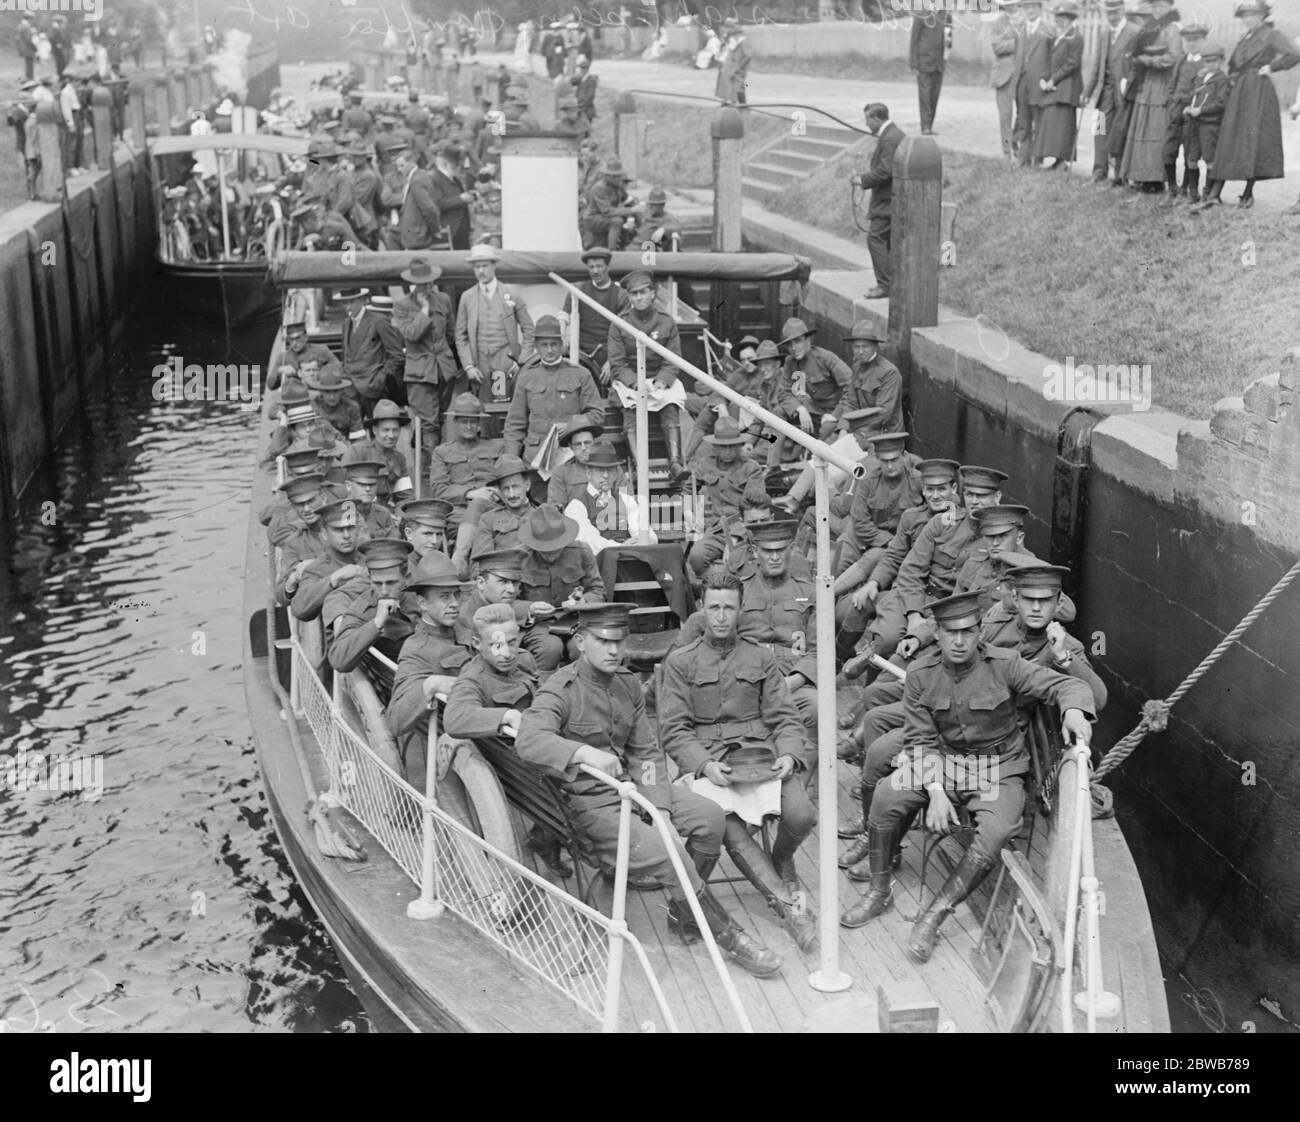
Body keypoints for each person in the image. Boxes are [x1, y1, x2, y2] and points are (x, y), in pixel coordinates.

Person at [517, 601, 782, 977]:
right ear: (579, 641)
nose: (613, 650)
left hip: (634, 790)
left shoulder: (626, 685)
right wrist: (583, 752)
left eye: (619, 641)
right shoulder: (560, 690)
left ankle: (682, 912)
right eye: (602, 641)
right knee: (667, 851)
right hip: (589, 805)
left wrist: (661, 810)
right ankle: (730, 937)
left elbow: (646, 754)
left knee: (709, 818)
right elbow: (528, 740)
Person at [839, 590, 1096, 963]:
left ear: (979, 632)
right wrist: (937, 793)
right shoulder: (921, 676)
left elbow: (1068, 685)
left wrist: (1073, 711)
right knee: (885, 796)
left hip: (998, 768)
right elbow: (920, 741)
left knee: (995, 833)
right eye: (950, 633)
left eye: (967, 631)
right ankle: (880, 891)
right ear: (938, 634)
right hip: (945, 763)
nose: (959, 641)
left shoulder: (1006, 663)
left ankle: (934, 915)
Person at [659, 566, 817, 955]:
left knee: (801, 815)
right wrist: (705, 765)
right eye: (714, 607)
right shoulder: (681, 663)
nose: (721, 617)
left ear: (740, 610)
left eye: (729, 608)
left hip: (759, 758)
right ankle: (786, 905)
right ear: (702, 607)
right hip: (710, 763)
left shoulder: (760, 659)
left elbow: (785, 717)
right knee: (727, 825)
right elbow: (674, 731)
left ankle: (779, 860)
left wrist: (790, 755)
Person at [1197, 1, 1300, 211]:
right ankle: (1214, 194)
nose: (1248, 18)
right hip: (1240, 90)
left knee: (1252, 138)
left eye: (1253, 14)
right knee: (1231, 136)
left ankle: (1247, 192)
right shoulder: (1245, 37)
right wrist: (1233, 78)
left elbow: (1295, 55)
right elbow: (1235, 65)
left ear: (1263, 15)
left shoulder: (1271, 35)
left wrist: (1272, 67)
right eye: (1244, 15)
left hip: (1257, 90)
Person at [385, 551, 476, 776]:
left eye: (457, 595)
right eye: (444, 596)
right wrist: (430, 685)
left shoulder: (467, 628)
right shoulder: (417, 649)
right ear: (423, 603)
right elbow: (395, 721)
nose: (454, 603)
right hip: (454, 752)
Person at [606, 270, 688, 479]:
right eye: (634, 294)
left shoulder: (666, 322)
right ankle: (639, 465)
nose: (639, 297)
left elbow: (672, 359)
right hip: (631, 380)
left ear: (653, 293)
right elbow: (618, 363)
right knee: (631, 410)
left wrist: (662, 381)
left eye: (643, 292)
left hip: (659, 378)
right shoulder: (620, 323)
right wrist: (635, 384)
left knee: (670, 405)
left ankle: (676, 463)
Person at [501, 315, 604, 464]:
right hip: (534, 460)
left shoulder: (581, 375)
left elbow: (597, 414)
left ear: (561, 344)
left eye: (554, 344)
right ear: (537, 346)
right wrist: (511, 462)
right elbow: (514, 424)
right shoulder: (526, 378)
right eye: (544, 345)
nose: (549, 350)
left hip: (570, 458)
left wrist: (572, 425)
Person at [454, 243, 536, 421]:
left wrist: (523, 361)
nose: (481, 271)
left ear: (494, 266)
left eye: (485, 265)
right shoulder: (467, 297)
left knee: (508, 410)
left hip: (506, 363)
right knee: (482, 412)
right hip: (480, 365)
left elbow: (529, 329)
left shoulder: (510, 293)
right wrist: (468, 366)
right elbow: (460, 336)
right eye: (477, 267)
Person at [393, 258, 457, 455]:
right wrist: (424, 311)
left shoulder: (443, 299)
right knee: (428, 424)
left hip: (444, 371)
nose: (426, 287)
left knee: (440, 420)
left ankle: (430, 461)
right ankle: (432, 473)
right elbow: (411, 334)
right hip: (420, 374)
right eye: (422, 283)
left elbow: (450, 333)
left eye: (429, 282)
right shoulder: (402, 305)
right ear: (413, 283)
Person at [685, 421, 766, 576]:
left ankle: (735, 590)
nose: (727, 451)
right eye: (723, 446)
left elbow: (754, 508)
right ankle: (716, 586)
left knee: (736, 562)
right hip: (717, 529)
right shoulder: (706, 464)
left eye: (732, 446)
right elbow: (688, 489)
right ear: (715, 447)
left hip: (746, 530)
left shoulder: (751, 468)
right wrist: (689, 512)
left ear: (740, 445)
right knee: (697, 557)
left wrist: (735, 538)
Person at [328, 539, 421, 673]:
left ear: (407, 578)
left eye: (391, 583)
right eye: (377, 583)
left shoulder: (422, 597)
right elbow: (338, 661)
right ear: (369, 578)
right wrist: (376, 623)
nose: (383, 591)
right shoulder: (361, 610)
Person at [1118, 0, 1182, 192]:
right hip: (1145, 83)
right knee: (1142, 129)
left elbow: (1174, 57)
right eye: (1154, 6)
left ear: (1170, 6)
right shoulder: (1150, 28)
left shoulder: (1172, 29)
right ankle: (1141, 175)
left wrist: (1148, 60)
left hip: (1160, 83)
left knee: (1155, 129)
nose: (1157, 10)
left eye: (1161, 5)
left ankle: (1155, 178)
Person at [1082, 0, 1138, 184]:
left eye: (1115, 12)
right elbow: (1097, 64)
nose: (1112, 17)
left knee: (1121, 131)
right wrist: (1087, 92)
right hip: (1103, 91)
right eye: (1109, 13)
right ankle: (1099, 171)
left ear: (1122, 10)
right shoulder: (1104, 32)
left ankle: (1120, 175)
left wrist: (1130, 85)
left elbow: (1137, 66)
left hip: (1123, 93)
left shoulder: (1134, 32)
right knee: (1099, 130)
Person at [853, 103, 903, 300]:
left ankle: (884, 285)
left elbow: (885, 170)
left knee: (875, 238)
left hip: (887, 201)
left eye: (867, 120)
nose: (866, 124)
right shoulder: (892, 133)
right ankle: (890, 282)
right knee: (886, 241)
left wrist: (862, 179)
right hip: (889, 199)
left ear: (876, 119)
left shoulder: (890, 138)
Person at [1156, 23, 1210, 204]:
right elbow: (1172, 84)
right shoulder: (1181, 59)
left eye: (1196, 40)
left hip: (1191, 113)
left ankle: (1185, 189)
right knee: (1168, 150)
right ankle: (1172, 188)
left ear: (1203, 40)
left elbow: (1204, 89)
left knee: (1190, 153)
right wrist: (1172, 102)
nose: (1191, 43)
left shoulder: (1206, 62)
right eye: (1188, 40)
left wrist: (1192, 106)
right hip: (1176, 111)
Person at [562, 246, 631, 380]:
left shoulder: (621, 295)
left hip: (609, 356)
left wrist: (612, 361)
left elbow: (625, 334)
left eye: (599, 266)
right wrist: (563, 334)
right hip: (581, 355)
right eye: (591, 267)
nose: (595, 271)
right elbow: (563, 315)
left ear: (608, 267)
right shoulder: (578, 290)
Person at [1032, 1, 1084, 169]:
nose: (1058, 21)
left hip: (1067, 87)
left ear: (1070, 19)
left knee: (1062, 123)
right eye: (1057, 17)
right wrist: (1044, 78)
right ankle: (1051, 159)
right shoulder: (1057, 36)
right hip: (1055, 84)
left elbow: (1072, 63)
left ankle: (1061, 161)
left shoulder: (1076, 37)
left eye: (1061, 17)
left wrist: (1053, 80)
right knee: (1050, 121)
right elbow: (1050, 60)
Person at [341, 289, 405, 422]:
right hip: (351, 390)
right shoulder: (346, 323)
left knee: (379, 429)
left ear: (362, 300)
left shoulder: (378, 321)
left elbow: (397, 355)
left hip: (373, 388)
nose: (347, 306)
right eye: (344, 303)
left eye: (351, 302)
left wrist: (381, 378)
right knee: (356, 432)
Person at [1182, 46, 1231, 207]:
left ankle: (1208, 193)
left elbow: (1221, 103)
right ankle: (1193, 192)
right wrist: (1189, 107)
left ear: (1221, 61)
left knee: (1210, 158)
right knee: (1192, 158)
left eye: (1214, 61)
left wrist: (1201, 110)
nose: (1211, 64)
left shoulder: (1222, 80)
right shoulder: (1202, 78)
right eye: (1207, 61)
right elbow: (1194, 96)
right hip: (1196, 123)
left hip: (1210, 124)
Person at [1014, 0, 1051, 165]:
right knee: (1023, 122)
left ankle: (1038, 158)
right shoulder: (1021, 29)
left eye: (1033, 6)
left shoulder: (1048, 30)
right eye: (1026, 6)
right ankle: (1024, 158)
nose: (1029, 10)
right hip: (1022, 83)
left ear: (1040, 8)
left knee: (1040, 122)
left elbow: (1052, 58)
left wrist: (1047, 78)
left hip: (1039, 83)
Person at [582, 159, 640, 250]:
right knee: (617, 221)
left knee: (632, 217)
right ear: (607, 176)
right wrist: (632, 210)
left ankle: (628, 244)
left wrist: (639, 206)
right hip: (594, 218)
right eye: (615, 176)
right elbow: (607, 211)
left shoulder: (617, 185)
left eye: (618, 176)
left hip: (605, 217)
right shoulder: (599, 188)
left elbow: (628, 199)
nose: (618, 179)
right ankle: (612, 252)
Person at [910, 9, 952, 135]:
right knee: (924, 96)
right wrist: (914, 65)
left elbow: (950, 41)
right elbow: (914, 41)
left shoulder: (947, 16)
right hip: (924, 62)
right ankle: (925, 126)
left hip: (939, 63)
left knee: (934, 96)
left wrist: (948, 43)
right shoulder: (921, 15)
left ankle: (930, 125)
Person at [989, 0, 1022, 160]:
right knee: (1005, 114)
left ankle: (1016, 142)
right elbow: (997, 47)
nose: (1011, 6)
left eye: (1014, 3)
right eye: (1008, 3)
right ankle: (1007, 150)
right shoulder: (998, 23)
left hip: (1023, 73)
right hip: (1003, 75)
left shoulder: (1026, 20)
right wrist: (1018, 42)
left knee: (1023, 114)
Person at [546, 417, 603, 509]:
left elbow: (626, 502)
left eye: (587, 443)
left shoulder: (612, 468)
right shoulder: (561, 473)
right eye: (578, 444)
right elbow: (554, 511)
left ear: (594, 443)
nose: (583, 448)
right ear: (571, 447)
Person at [715, 18, 751, 105]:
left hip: (737, 69)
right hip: (729, 68)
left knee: (738, 88)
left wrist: (738, 68)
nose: (726, 30)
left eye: (729, 27)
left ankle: (743, 106)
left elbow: (748, 56)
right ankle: (727, 104)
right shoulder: (731, 39)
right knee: (728, 87)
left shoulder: (742, 40)